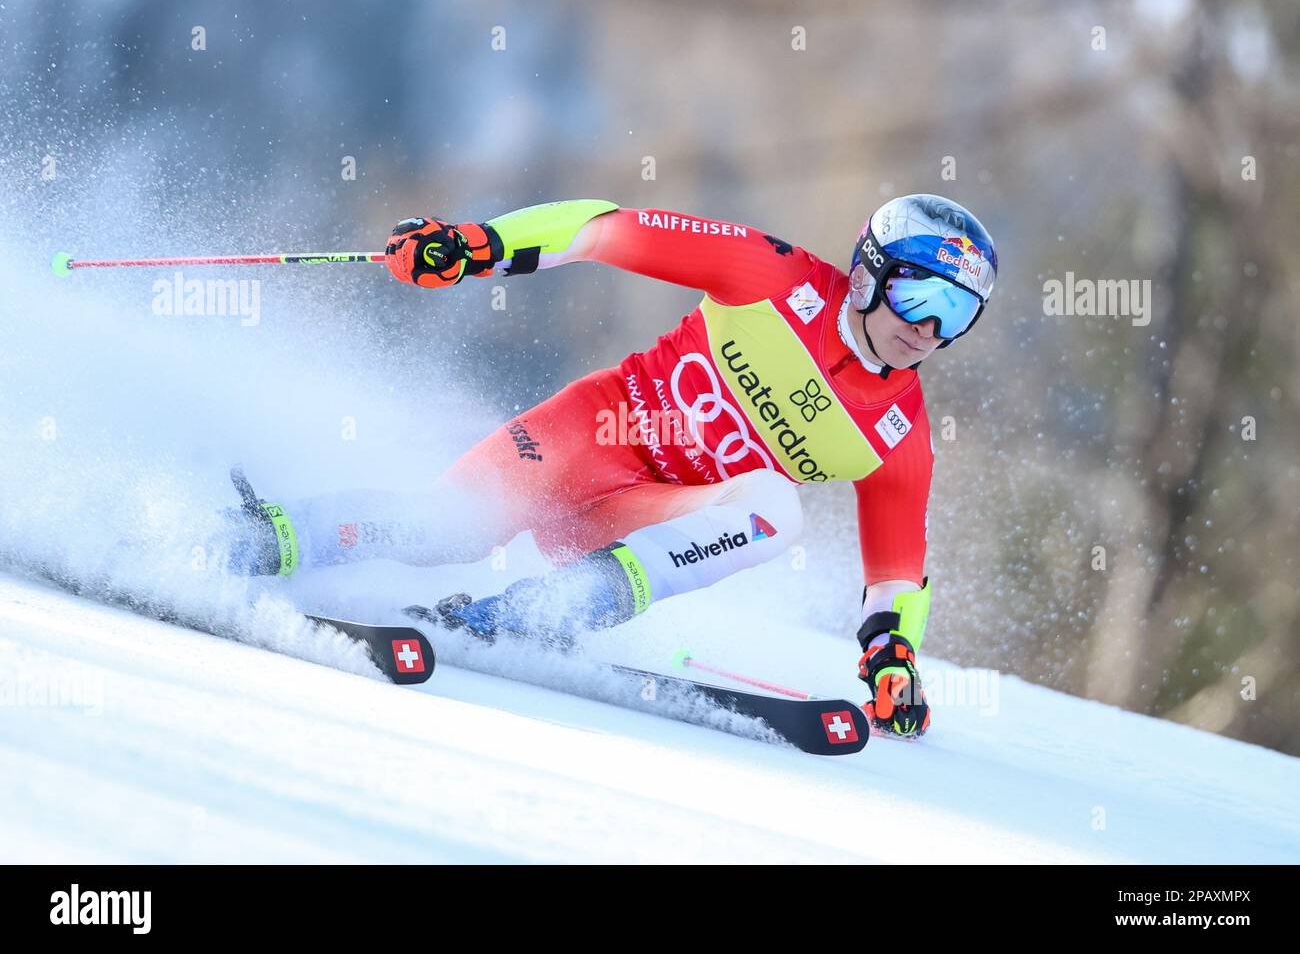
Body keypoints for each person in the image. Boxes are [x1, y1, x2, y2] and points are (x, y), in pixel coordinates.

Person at [228, 193, 998, 738]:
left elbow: (896, 574)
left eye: (958, 314)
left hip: (638, 520)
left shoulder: (899, 432)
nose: (929, 328)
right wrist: (480, 246)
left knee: (776, 509)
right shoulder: (776, 277)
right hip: (588, 435)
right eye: (919, 294)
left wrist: (892, 657)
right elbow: (605, 229)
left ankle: (550, 611)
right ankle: (268, 537)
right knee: (446, 530)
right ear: (867, 274)